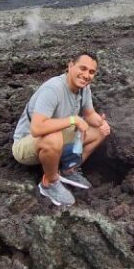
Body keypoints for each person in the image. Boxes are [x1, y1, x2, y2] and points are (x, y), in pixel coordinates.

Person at [12, 51, 111, 206]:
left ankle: (69, 170)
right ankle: (49, 183)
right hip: (27, 144)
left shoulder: (84, 88)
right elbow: (37, 128)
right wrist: (73, 120)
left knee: (99, 131)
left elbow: (89, 114)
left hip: (56, 137)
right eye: (82, 68)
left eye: (91, 72)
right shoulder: (53, 89)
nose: (86, 75)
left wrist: (101, 123)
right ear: (70, 65)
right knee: (54, 136)